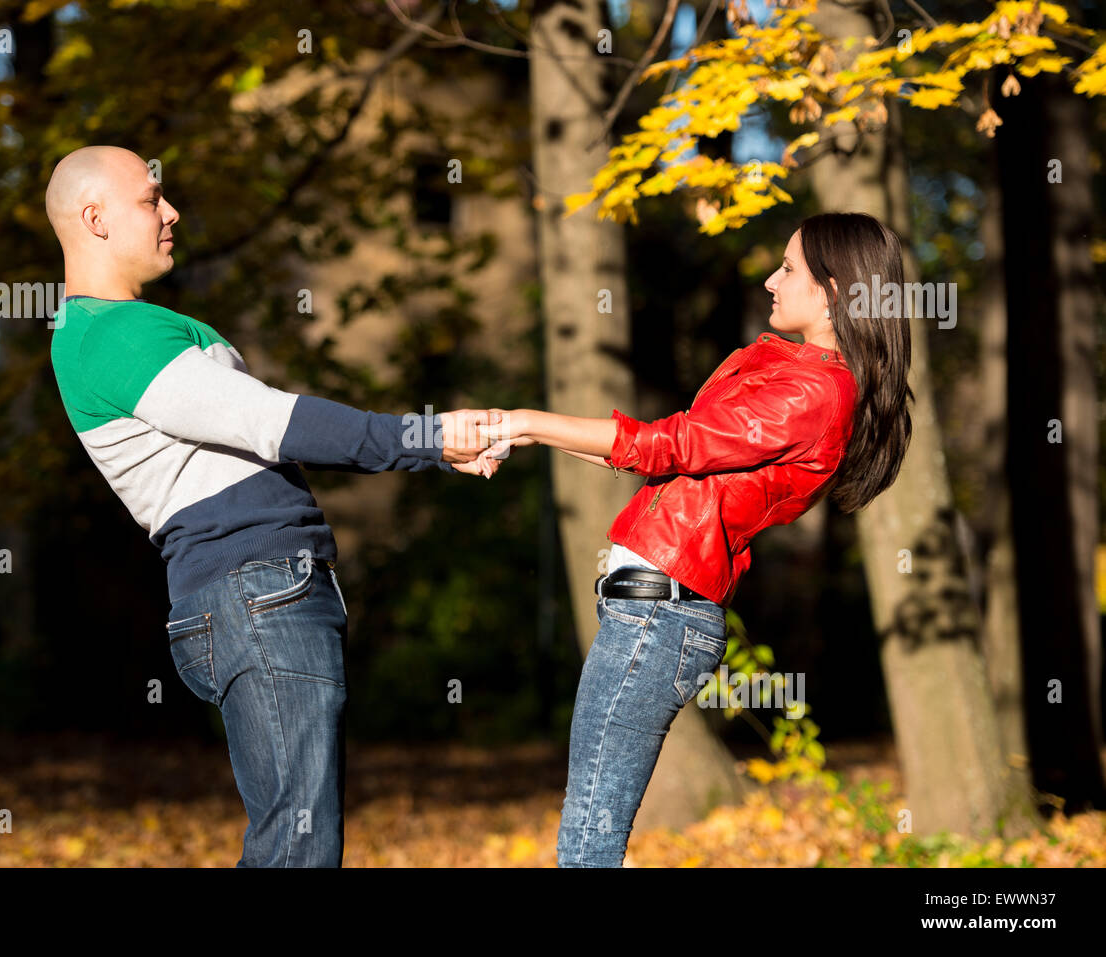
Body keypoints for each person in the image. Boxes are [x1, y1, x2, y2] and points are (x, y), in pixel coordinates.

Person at [44, 145, 494, 867]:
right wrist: (428, 437)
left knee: (296, 839)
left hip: (259, 592)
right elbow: (274, 422)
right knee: (298, 847)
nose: (171, 212)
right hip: (256, 591)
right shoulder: (109, 333)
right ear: (94, 218)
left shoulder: (127, 328)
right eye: (150, 199)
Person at [480, 212, 914, 867]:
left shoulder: (813, 391)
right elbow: (663, 452)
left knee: (588, 848)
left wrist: (526, 419)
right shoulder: (793, 375)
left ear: (832, 290)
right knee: (594, 845)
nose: (770, 279)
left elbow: (667, 443)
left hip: (658, 616)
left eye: (788, 268)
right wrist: (526, 433)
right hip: (650, 612)